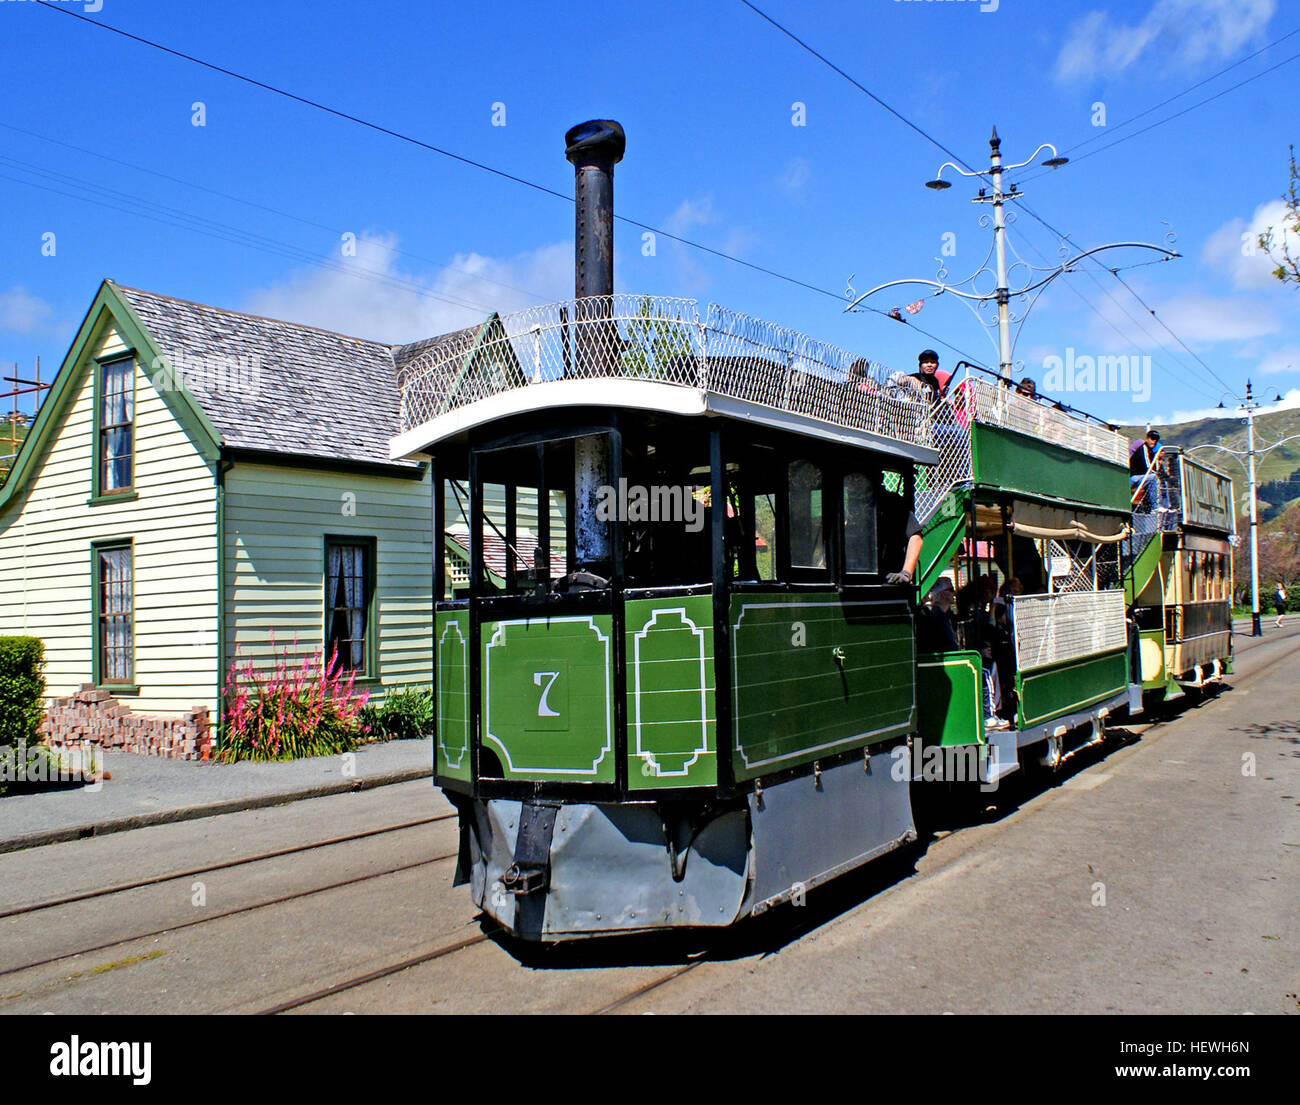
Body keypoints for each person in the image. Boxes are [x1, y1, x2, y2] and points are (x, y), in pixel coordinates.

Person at [916, 577, 960, 652]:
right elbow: (952, 647)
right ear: (942, 593)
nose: (954, 593)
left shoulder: (943, 615)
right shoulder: (938, 617)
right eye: (951, 589)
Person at [1129, 430, 1163, 512]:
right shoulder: (1143, 448)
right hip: (1134, 477)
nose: (1154, 441)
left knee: (1153, 479)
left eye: (1156, 440)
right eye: (1152, 438)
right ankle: (1154, 507)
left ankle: (1149, 507)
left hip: (1140, 477)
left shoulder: (1151, 452)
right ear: (1147, 438)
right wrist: (1156, 474)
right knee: (1153, 477)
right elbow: (1148, 467)